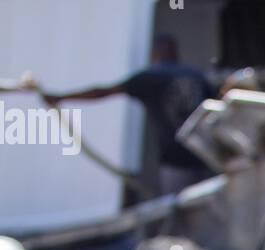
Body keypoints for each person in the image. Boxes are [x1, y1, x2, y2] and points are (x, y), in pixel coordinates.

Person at [31, 35, 213, 196]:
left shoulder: (150, 77)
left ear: (155, 54)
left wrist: (61, 97)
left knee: (180, 211)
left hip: (175, 159)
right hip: (206, 155)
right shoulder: (196, 75)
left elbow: (101, 92)